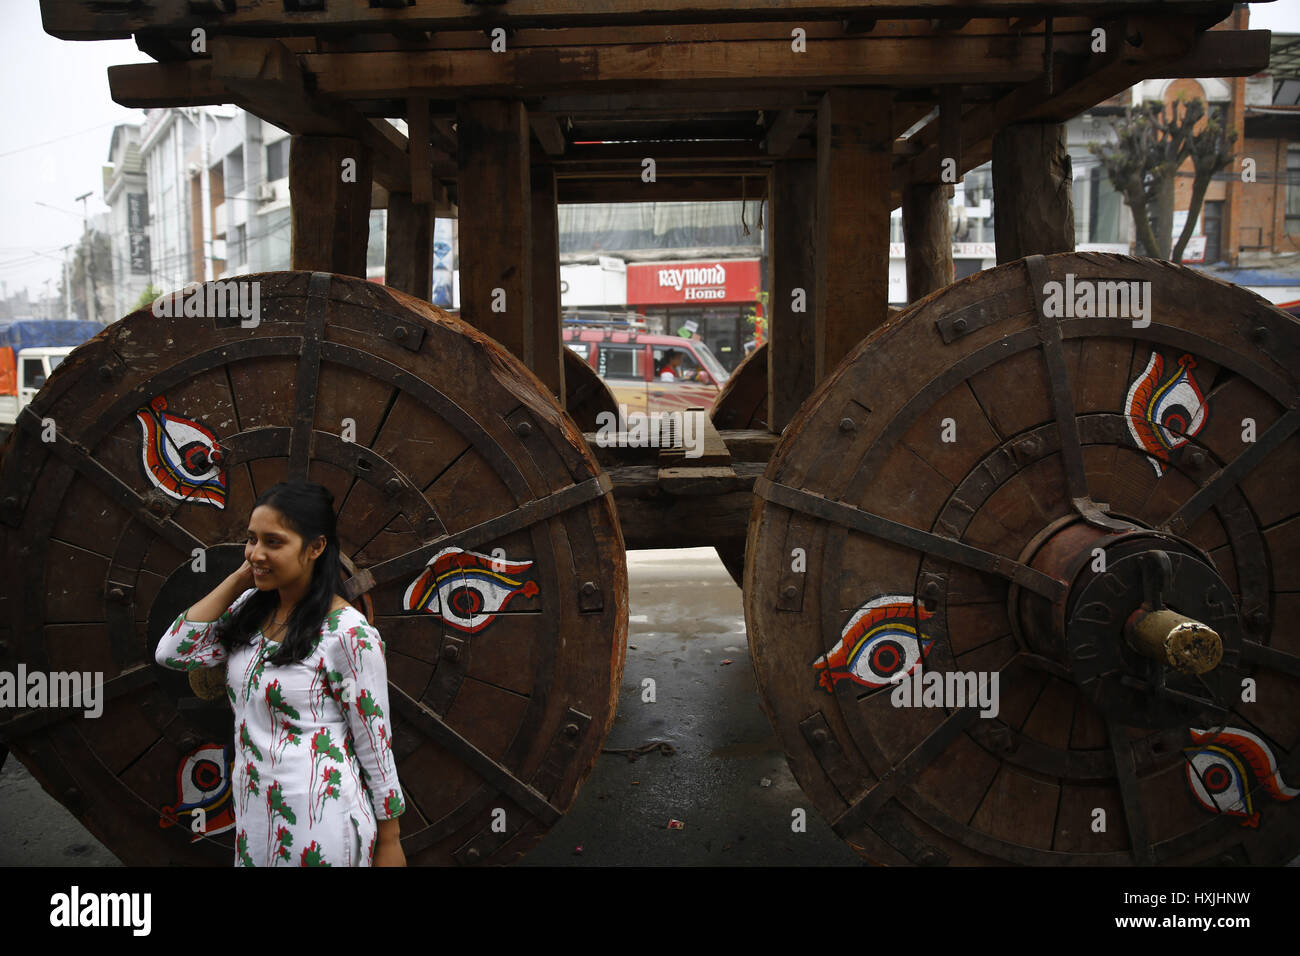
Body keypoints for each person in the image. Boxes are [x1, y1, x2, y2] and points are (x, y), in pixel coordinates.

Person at [155, 480, 406, 867]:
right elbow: (172, 652)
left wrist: (390, 840)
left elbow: (375, 741)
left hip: (319, 820)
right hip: (255, 815)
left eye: (274, 542)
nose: (256, 553)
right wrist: (242, 575)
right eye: (251, 539)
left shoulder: (347, 633)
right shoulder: (252, 612)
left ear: (316, 547)